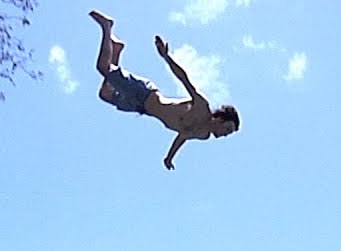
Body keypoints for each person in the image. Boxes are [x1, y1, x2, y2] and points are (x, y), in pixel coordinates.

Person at [89, 10, 240, 170]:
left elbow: (182, 137)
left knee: (105, 94)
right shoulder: (201, 106)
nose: (225, 135)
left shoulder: (202, 135)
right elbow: (184, 79)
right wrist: (166, 57)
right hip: (146, 94)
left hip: (140, 107)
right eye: (228, 129)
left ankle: (116, 49)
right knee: (103, 68)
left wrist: (169, 157)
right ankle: (107, 26)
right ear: (221, 119)